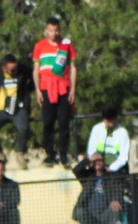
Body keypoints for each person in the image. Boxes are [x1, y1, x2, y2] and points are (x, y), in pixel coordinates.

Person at [32, 16, 77, 167]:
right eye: (51, 30)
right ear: (46, 30)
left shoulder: (66, 45)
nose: (54, 33)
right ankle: (50, 154)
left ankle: (64, 154)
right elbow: (36, 69)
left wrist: (73, 90)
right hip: (46, 88)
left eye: (56, 30)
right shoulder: (39, 46)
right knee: (48, 122)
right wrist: (38, 90)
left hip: (63, 87)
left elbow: (73, 67)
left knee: (64, 123)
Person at [72, 153, 127, 224]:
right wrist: (88, 160)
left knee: (115, 209)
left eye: (100, 160)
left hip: (105, 213)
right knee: (79, 211)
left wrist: (116, 199)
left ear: (104, 162)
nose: (97, 162)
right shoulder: (88, 177)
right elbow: (76, 170)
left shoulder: (110, 177)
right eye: (95, 161)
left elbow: (119, 188)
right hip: (90, 215)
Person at [85, 105, 130, 173]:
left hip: (115, 169)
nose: (108, 124)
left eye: (110, 121)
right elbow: (91, 151)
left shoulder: (123, 132)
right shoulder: (96, 129)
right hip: (99, 167)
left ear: (115, 119)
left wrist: (110, 169)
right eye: (106, 121)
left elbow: (123, 158)